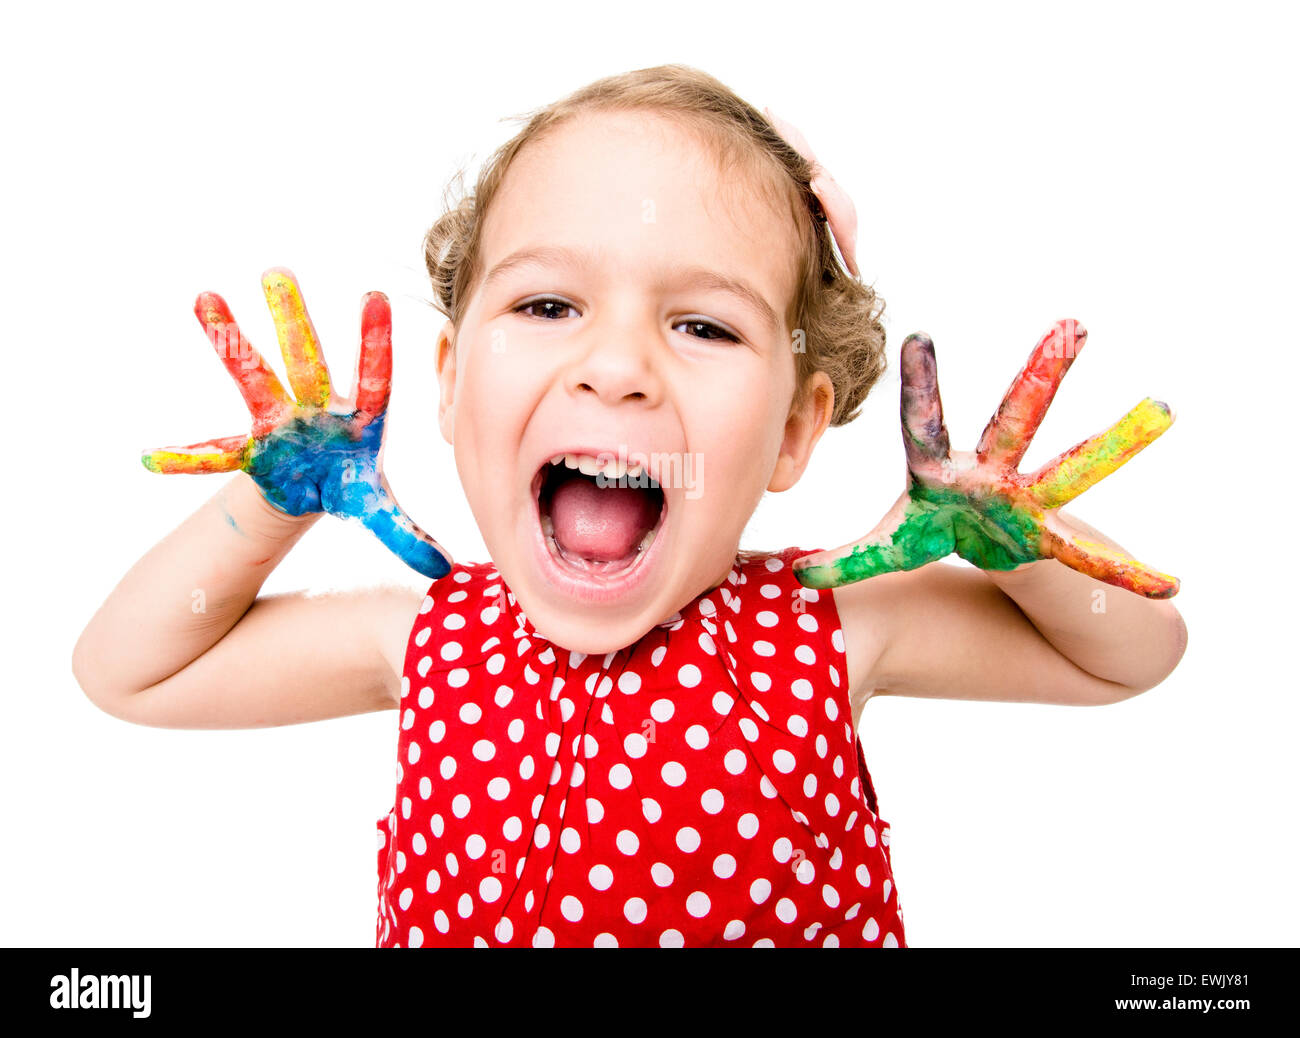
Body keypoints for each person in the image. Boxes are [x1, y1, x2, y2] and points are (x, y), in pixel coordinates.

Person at [72, 64, 1187, 948]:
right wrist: (269, 508)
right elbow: (131, 672)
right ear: (451, 381)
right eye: (549, 302)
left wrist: (1014, 546)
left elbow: (1125, 656)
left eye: (702, 325)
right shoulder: (428, 637)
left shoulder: (825, 627)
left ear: (796, 428)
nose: (616, 367)